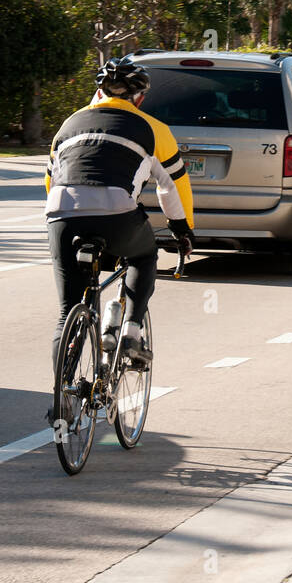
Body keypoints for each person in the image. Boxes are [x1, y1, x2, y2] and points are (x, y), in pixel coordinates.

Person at [45, 56, 195, 377]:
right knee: (144, 256)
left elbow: (51, 180)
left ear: (100, 91)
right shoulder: (154, 128)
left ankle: (64, 395)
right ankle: (131, 331)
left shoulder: (69, 123)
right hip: (116, 212)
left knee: (66, 310)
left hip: (61, 213)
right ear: (139, 98)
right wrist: (182, 231)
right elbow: (172, 188)